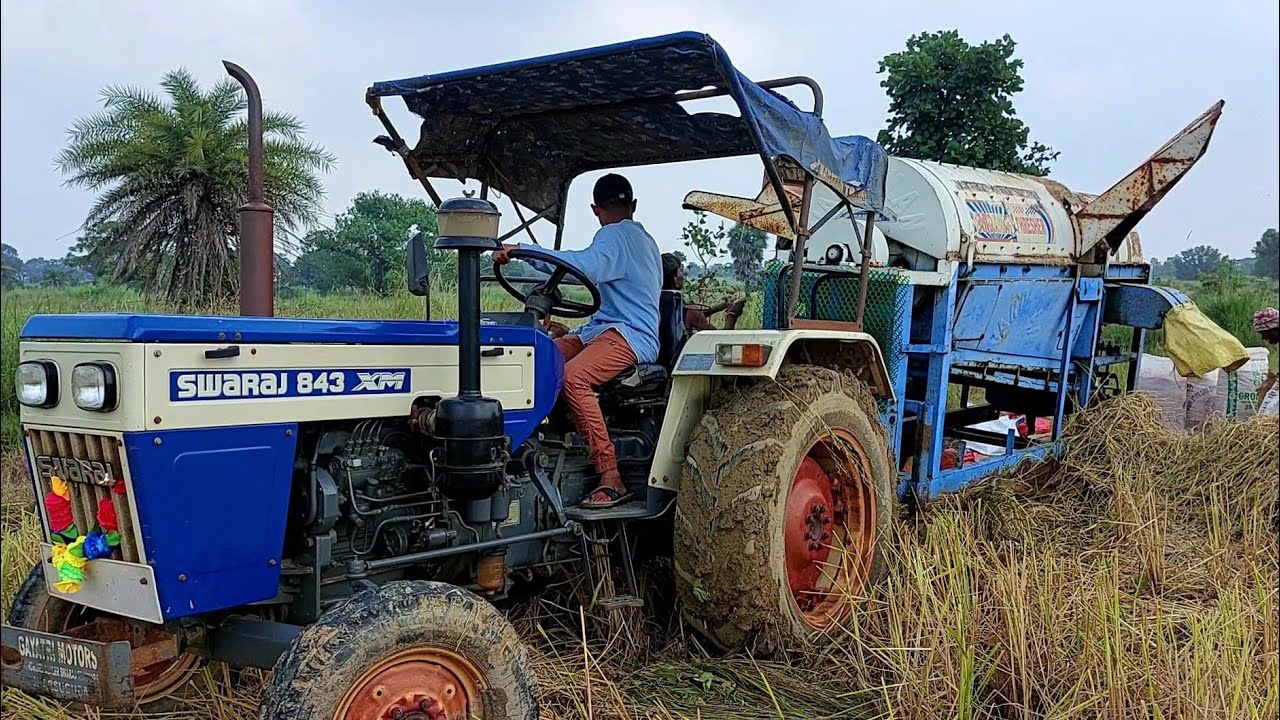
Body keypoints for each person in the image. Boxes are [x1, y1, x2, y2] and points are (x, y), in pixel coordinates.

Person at [492, 174, 661, 508]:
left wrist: (522, 251)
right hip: (599, 329)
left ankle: (610, 474)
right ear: (634, 205)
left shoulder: (617, 235)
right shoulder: (640, 238)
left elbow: (584, 266)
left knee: (573, 377)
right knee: (538, 356)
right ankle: (529, 442)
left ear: (595, 210)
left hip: (631, 335)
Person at [660, 253, 745, 334]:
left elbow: (692, 315)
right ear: (675, 280)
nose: (683, 275)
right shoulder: (690, 311)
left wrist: (720, 307)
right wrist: (732, 314)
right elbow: (720, 338)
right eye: (680, 271)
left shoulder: (655, 305)